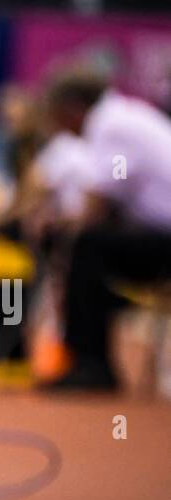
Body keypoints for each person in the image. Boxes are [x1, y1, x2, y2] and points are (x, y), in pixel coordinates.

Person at [40, 68, 171, 391]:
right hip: (158, 235)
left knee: (86, 244)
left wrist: (56, 227)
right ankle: (93, 347)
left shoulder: (108, 124)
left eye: (58, 117)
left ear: (72, 107)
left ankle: (91, 364)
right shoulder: (124, 115)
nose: (61, 130)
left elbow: (93, 206)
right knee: (92, 247)